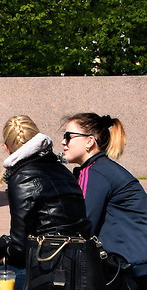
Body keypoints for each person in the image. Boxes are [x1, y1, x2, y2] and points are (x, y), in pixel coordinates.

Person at [0, 114, 106, 290]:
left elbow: (21, 248)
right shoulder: (63, 171)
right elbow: (40, 231)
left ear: (7, 148)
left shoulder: (22, 177)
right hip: (71, 261)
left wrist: (5, 253)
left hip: (50, 269)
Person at [62, 113, 147, 287]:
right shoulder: (101, 168)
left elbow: (80, 227)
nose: (64, 142)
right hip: (137, 263)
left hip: (131, 270)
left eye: (68, 136)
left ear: (89, 141)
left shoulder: (95, 172)